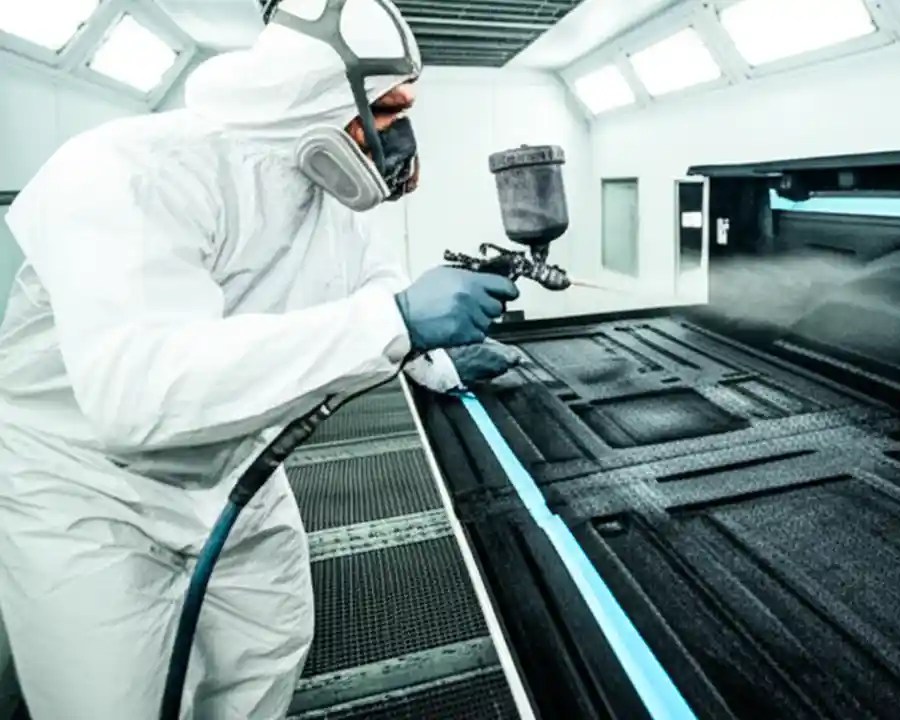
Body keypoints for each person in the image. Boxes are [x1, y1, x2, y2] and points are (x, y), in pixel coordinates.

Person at [0, 0, 521, 717]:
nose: (399, 136)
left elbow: (374, 296)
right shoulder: (127, 171)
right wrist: (396, 319)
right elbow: (138, 392)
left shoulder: (329, 200)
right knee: (114, 702)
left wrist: (442, 359)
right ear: (315, 96)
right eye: (388, 110)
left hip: (240, 471)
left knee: (265, 652)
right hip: (89, 496)